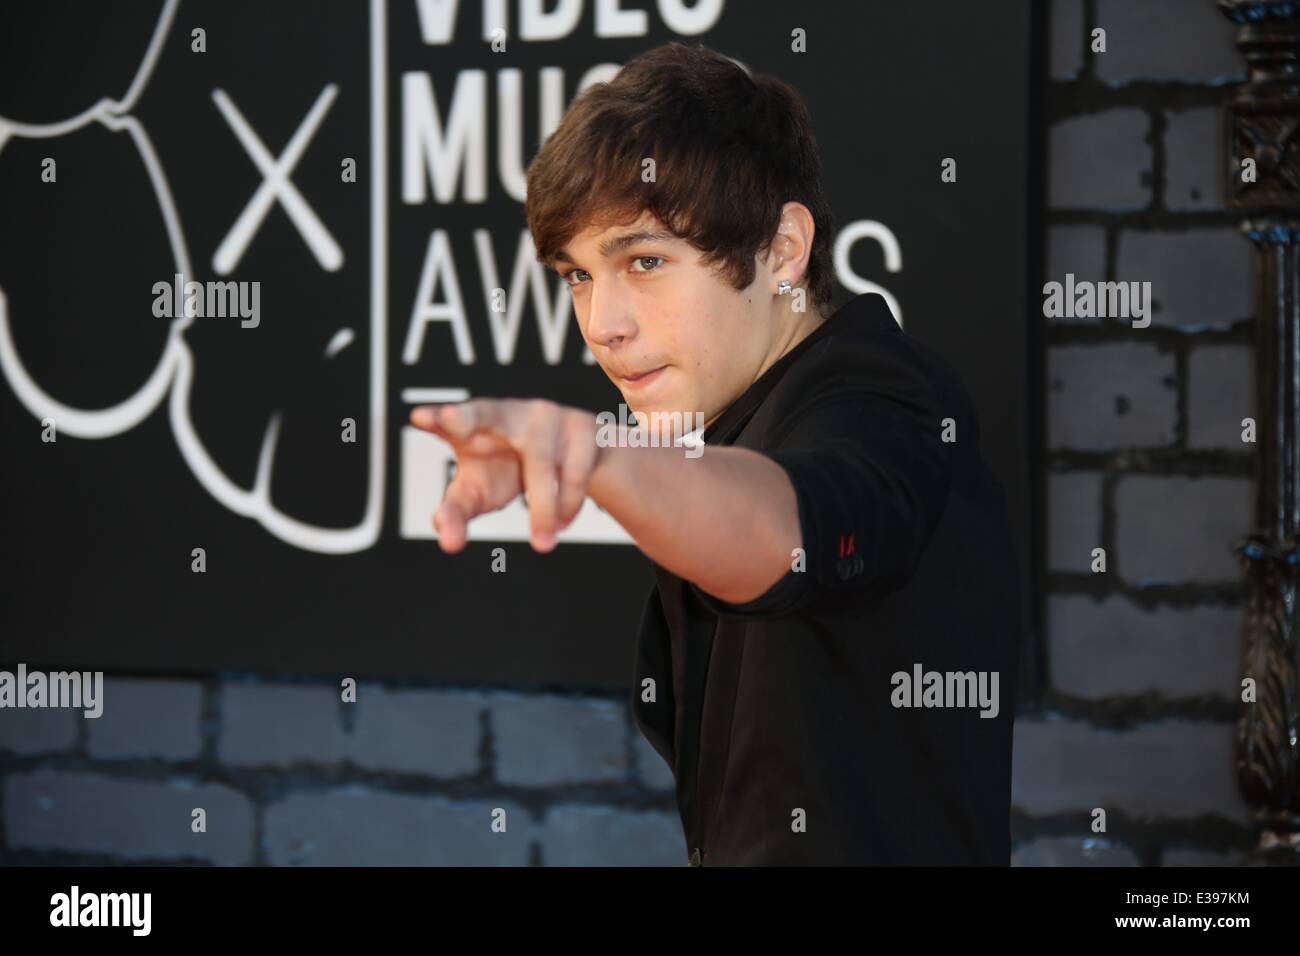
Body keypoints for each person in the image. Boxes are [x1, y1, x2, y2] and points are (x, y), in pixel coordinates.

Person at [410, 41, 1021, 865]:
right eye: (577, 277)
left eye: (646, 262)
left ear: (781, 251)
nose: (602, 324)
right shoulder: (742, 413)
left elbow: (792, 528)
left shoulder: (878, 396)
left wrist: (600, 455)